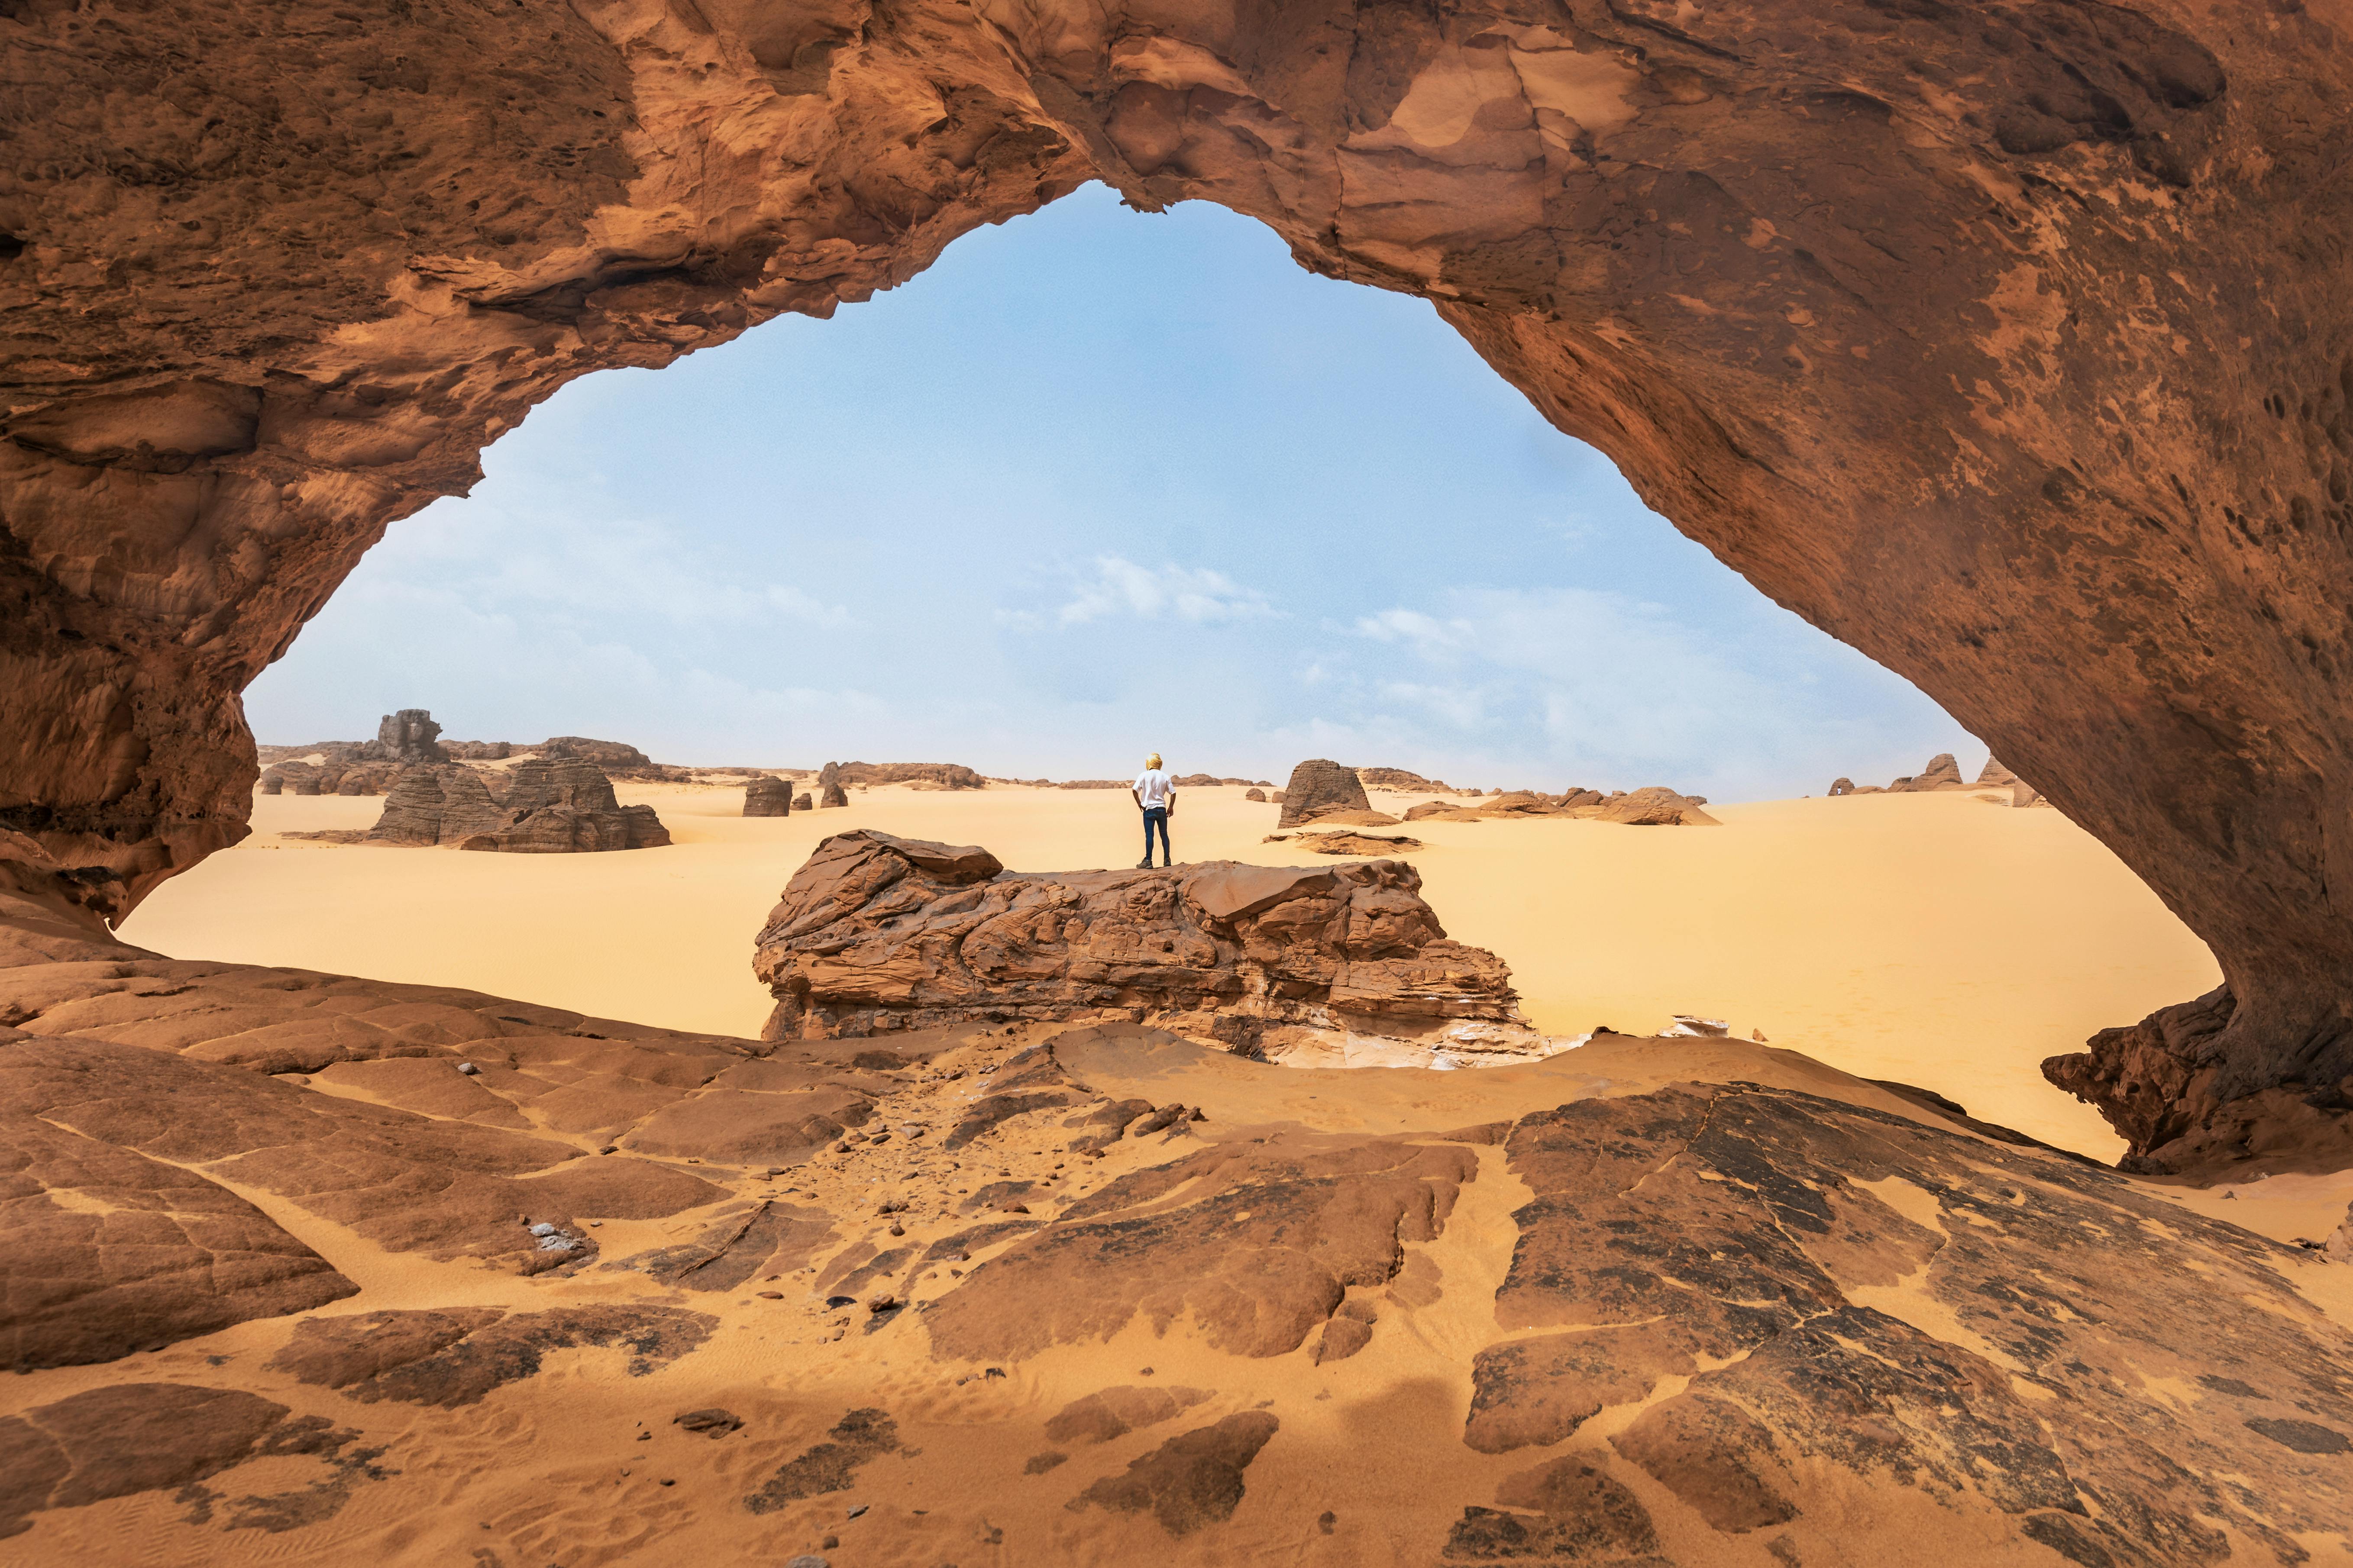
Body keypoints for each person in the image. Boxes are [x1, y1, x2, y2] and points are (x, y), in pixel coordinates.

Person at [1131, 752, 1176, 868]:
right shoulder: (1165, 777)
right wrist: (1171, 807)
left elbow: (1134, 790)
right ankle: (1167, 860)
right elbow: (1173, 793)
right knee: (1164, 835)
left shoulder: (1144, 775)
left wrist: (1139, 804)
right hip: (1162, 809)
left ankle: (1148, 861)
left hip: (1149, 810)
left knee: (1149, 835)